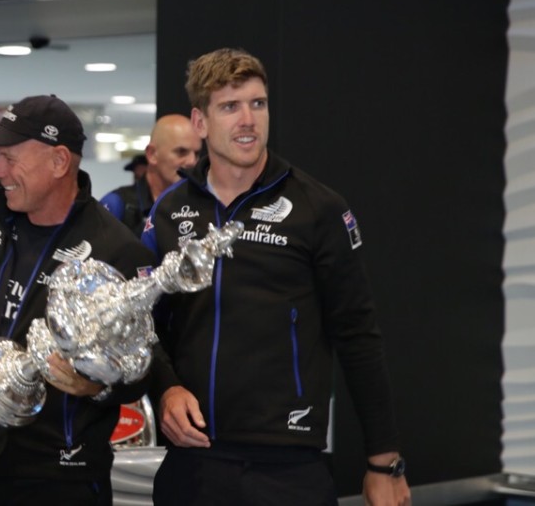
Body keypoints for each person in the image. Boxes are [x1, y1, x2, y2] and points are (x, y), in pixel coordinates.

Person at [142, 48, 410, 505]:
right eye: (230, 106)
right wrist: (166, 388)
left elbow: (358, 335)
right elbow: (144, 327)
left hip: (288, 471)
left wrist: (383, 461)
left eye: (257, 103)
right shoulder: (169, 212)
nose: (248, 119)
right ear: (200, 122)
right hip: (192, 465)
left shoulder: (319, 209)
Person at [0, 95, 156, 505]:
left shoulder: (116, 251)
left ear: (60, 162)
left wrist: (94, 386)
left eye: (10, 157)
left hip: (57, 479)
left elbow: (142, 368)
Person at [100, 114, 200, 237]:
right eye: (181, 152)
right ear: (152, 154)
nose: (192, 161)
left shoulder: (203, 204)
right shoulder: (117, 205)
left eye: (196, 153)